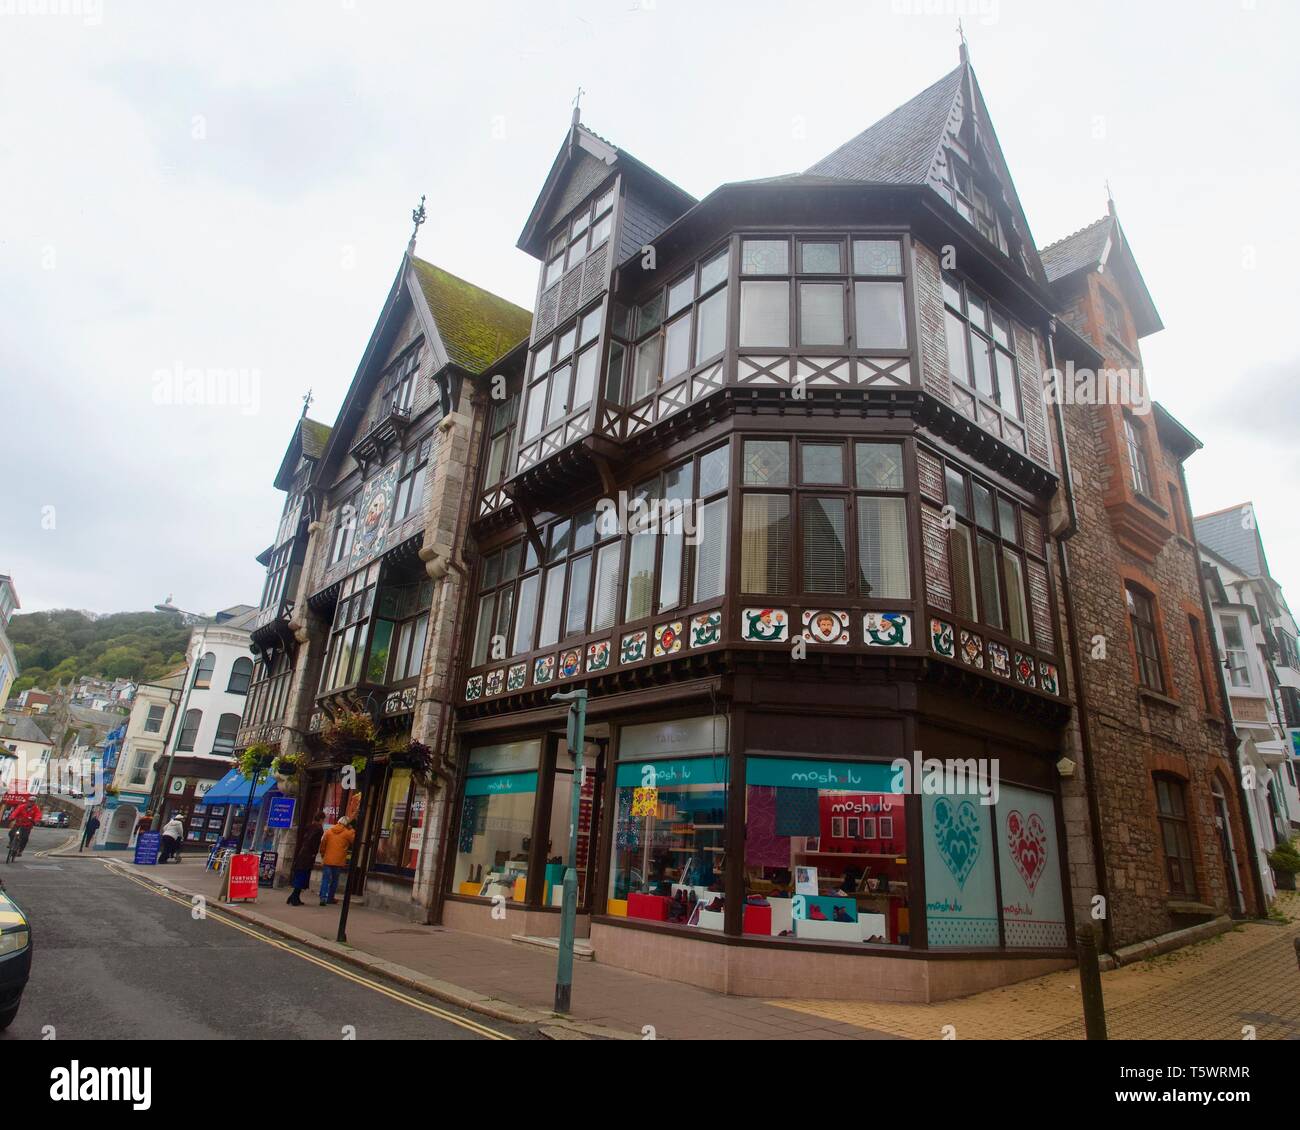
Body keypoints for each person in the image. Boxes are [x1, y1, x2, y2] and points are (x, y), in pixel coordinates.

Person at [287, 811, 325, 906]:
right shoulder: (318, 829)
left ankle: (294, 897)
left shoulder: (310, 826)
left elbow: (304, 838)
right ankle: (294, 898)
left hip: (302, 854)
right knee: (302, 877)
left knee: (300, 876)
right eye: (323, 819)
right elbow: (313, 842)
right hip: (307, 856)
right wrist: (313, 853)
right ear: (321, 819)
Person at [318, 816, 354, 906]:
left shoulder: (329, 831)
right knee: (334, 880)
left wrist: (323, 854)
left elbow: (323, 844)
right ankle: (330, 898)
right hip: (339, 861)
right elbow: (354, 840)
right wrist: (352, 829)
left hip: (327, 859)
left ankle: (323, 897)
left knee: (325, 879)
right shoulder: (347, 833)